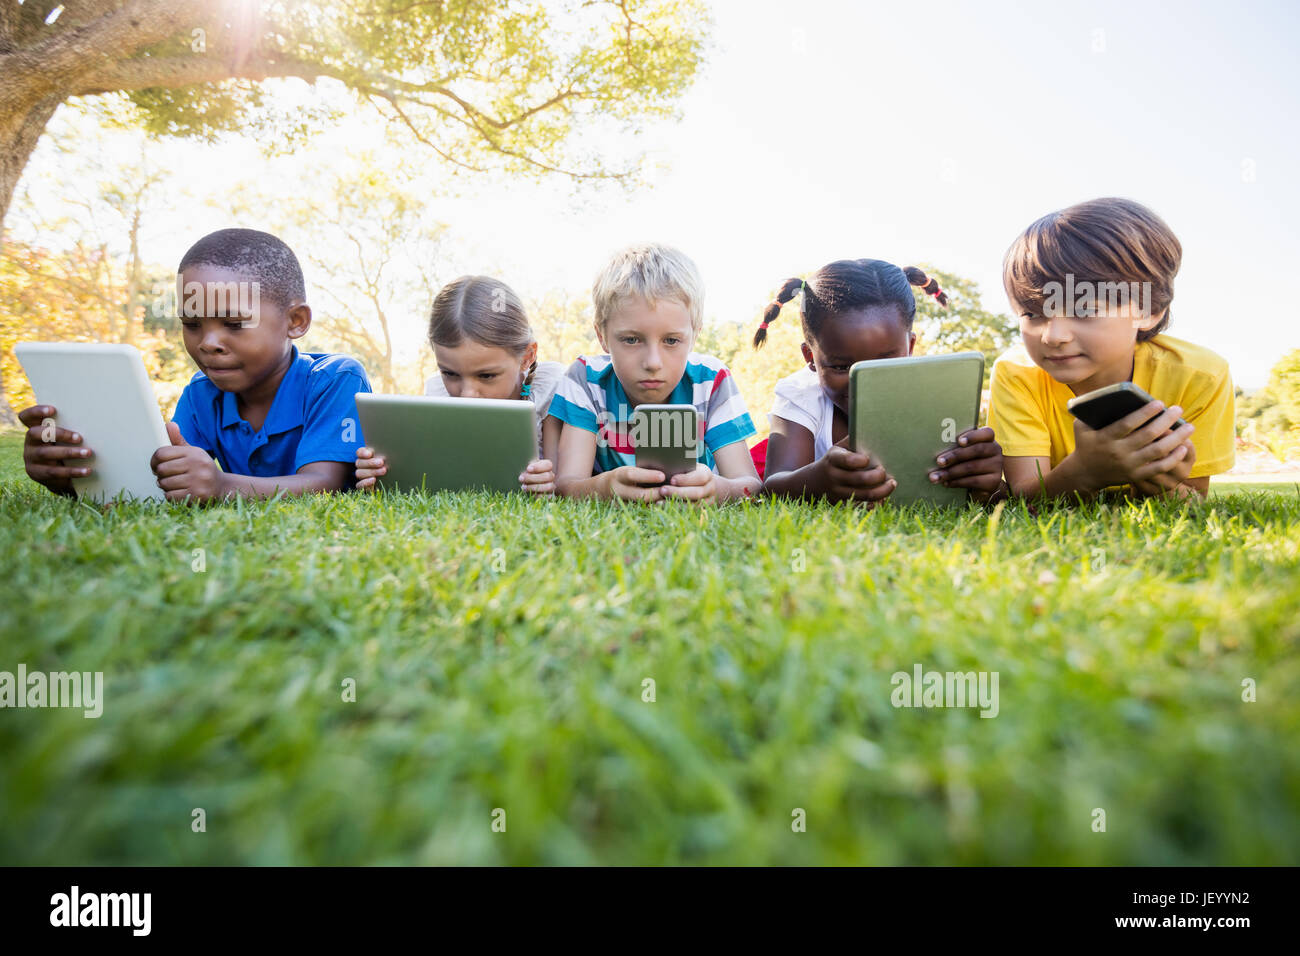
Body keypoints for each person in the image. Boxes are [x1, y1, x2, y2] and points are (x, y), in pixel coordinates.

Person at [20, 228, 371, 501]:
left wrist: (221, 485)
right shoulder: (203, 392)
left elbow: (324, 484)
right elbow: (167, 484)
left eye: (233, 324)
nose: (207, 343)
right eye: (191, 325)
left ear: (295, 321)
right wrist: (70, 478)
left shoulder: (335, 378)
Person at [989, 198, 1234, 500]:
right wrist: (1084, 471)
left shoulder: (1201, 375)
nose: (1053, 336)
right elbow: (1025, 499)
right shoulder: (1017, 373)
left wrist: (1156, 477)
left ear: (1149, 308)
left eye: (1085, 310)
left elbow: (1193, 500)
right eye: (1031, 313)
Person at [755, 258, 1004, 503]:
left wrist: (984, 481)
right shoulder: (801, 395)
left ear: (910, 347)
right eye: (842, 367)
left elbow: (970, 480)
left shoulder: (932, 393)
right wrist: (817, 482)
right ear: (810, 357)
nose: (864, 386)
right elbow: (773, 488)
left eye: (883, 364)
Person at [549, 243, 761, 504]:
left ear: (694, 335)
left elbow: (750, 486)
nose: (652, 362)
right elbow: (566, 486)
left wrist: (716, 489)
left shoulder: (711, 381)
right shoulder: (585, 380)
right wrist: (606, 487)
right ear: (602, 336)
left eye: (671, 341)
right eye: (631, 340)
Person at [354, 276, 564, 494]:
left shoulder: (550, 387)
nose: (467, 394)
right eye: (450, 373)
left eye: (486, 376)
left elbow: (561, 483)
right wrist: (381, 471)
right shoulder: (437, 393)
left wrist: (547, 483)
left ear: (527, 357)